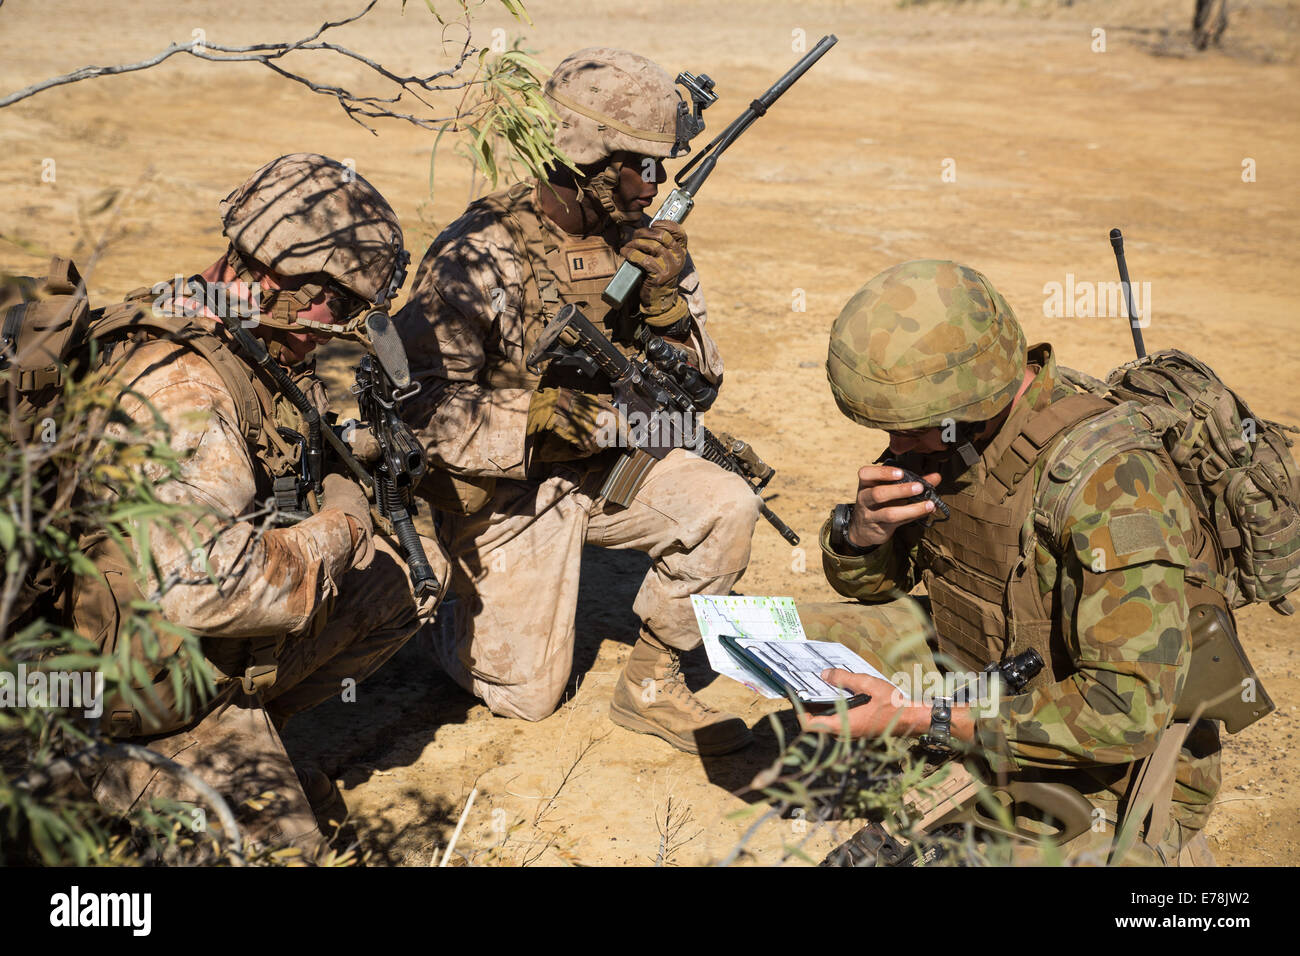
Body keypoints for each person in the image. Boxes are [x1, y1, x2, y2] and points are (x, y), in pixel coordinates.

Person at [393, 48, 760, 755]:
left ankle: (650, 685)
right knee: (526, 697)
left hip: (607, 467)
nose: (654, 186)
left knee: (727, 503)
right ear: (584, 153)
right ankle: (442, 607)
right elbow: (420, 405)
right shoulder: (481, 250)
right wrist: (528, 418)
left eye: (661, 166)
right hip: (506, 486)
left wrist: (668, 310)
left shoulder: (648, 246)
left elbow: (700, 390)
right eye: (639, 165)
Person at [79, 153, 448, 854]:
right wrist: (339, 529)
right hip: (107, 688)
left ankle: (245, 720)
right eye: (337, 306)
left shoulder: (222, 322)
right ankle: (113, 775)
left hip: (149, 630)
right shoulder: (184, 385)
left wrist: (347, 458)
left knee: (407, 581)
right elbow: (209, 587)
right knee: (289, 852)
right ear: (278, 276)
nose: (340, 329)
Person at [799, 259, 1221, 865]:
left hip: (1113, 766)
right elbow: (881, 587)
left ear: (973, 396)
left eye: (909, 430)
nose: (896, 448)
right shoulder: (959, 429)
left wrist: (924, 719)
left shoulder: (1113, 486)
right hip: (996, 677)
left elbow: (1124, 716)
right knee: (802, 642)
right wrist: (862, 535)